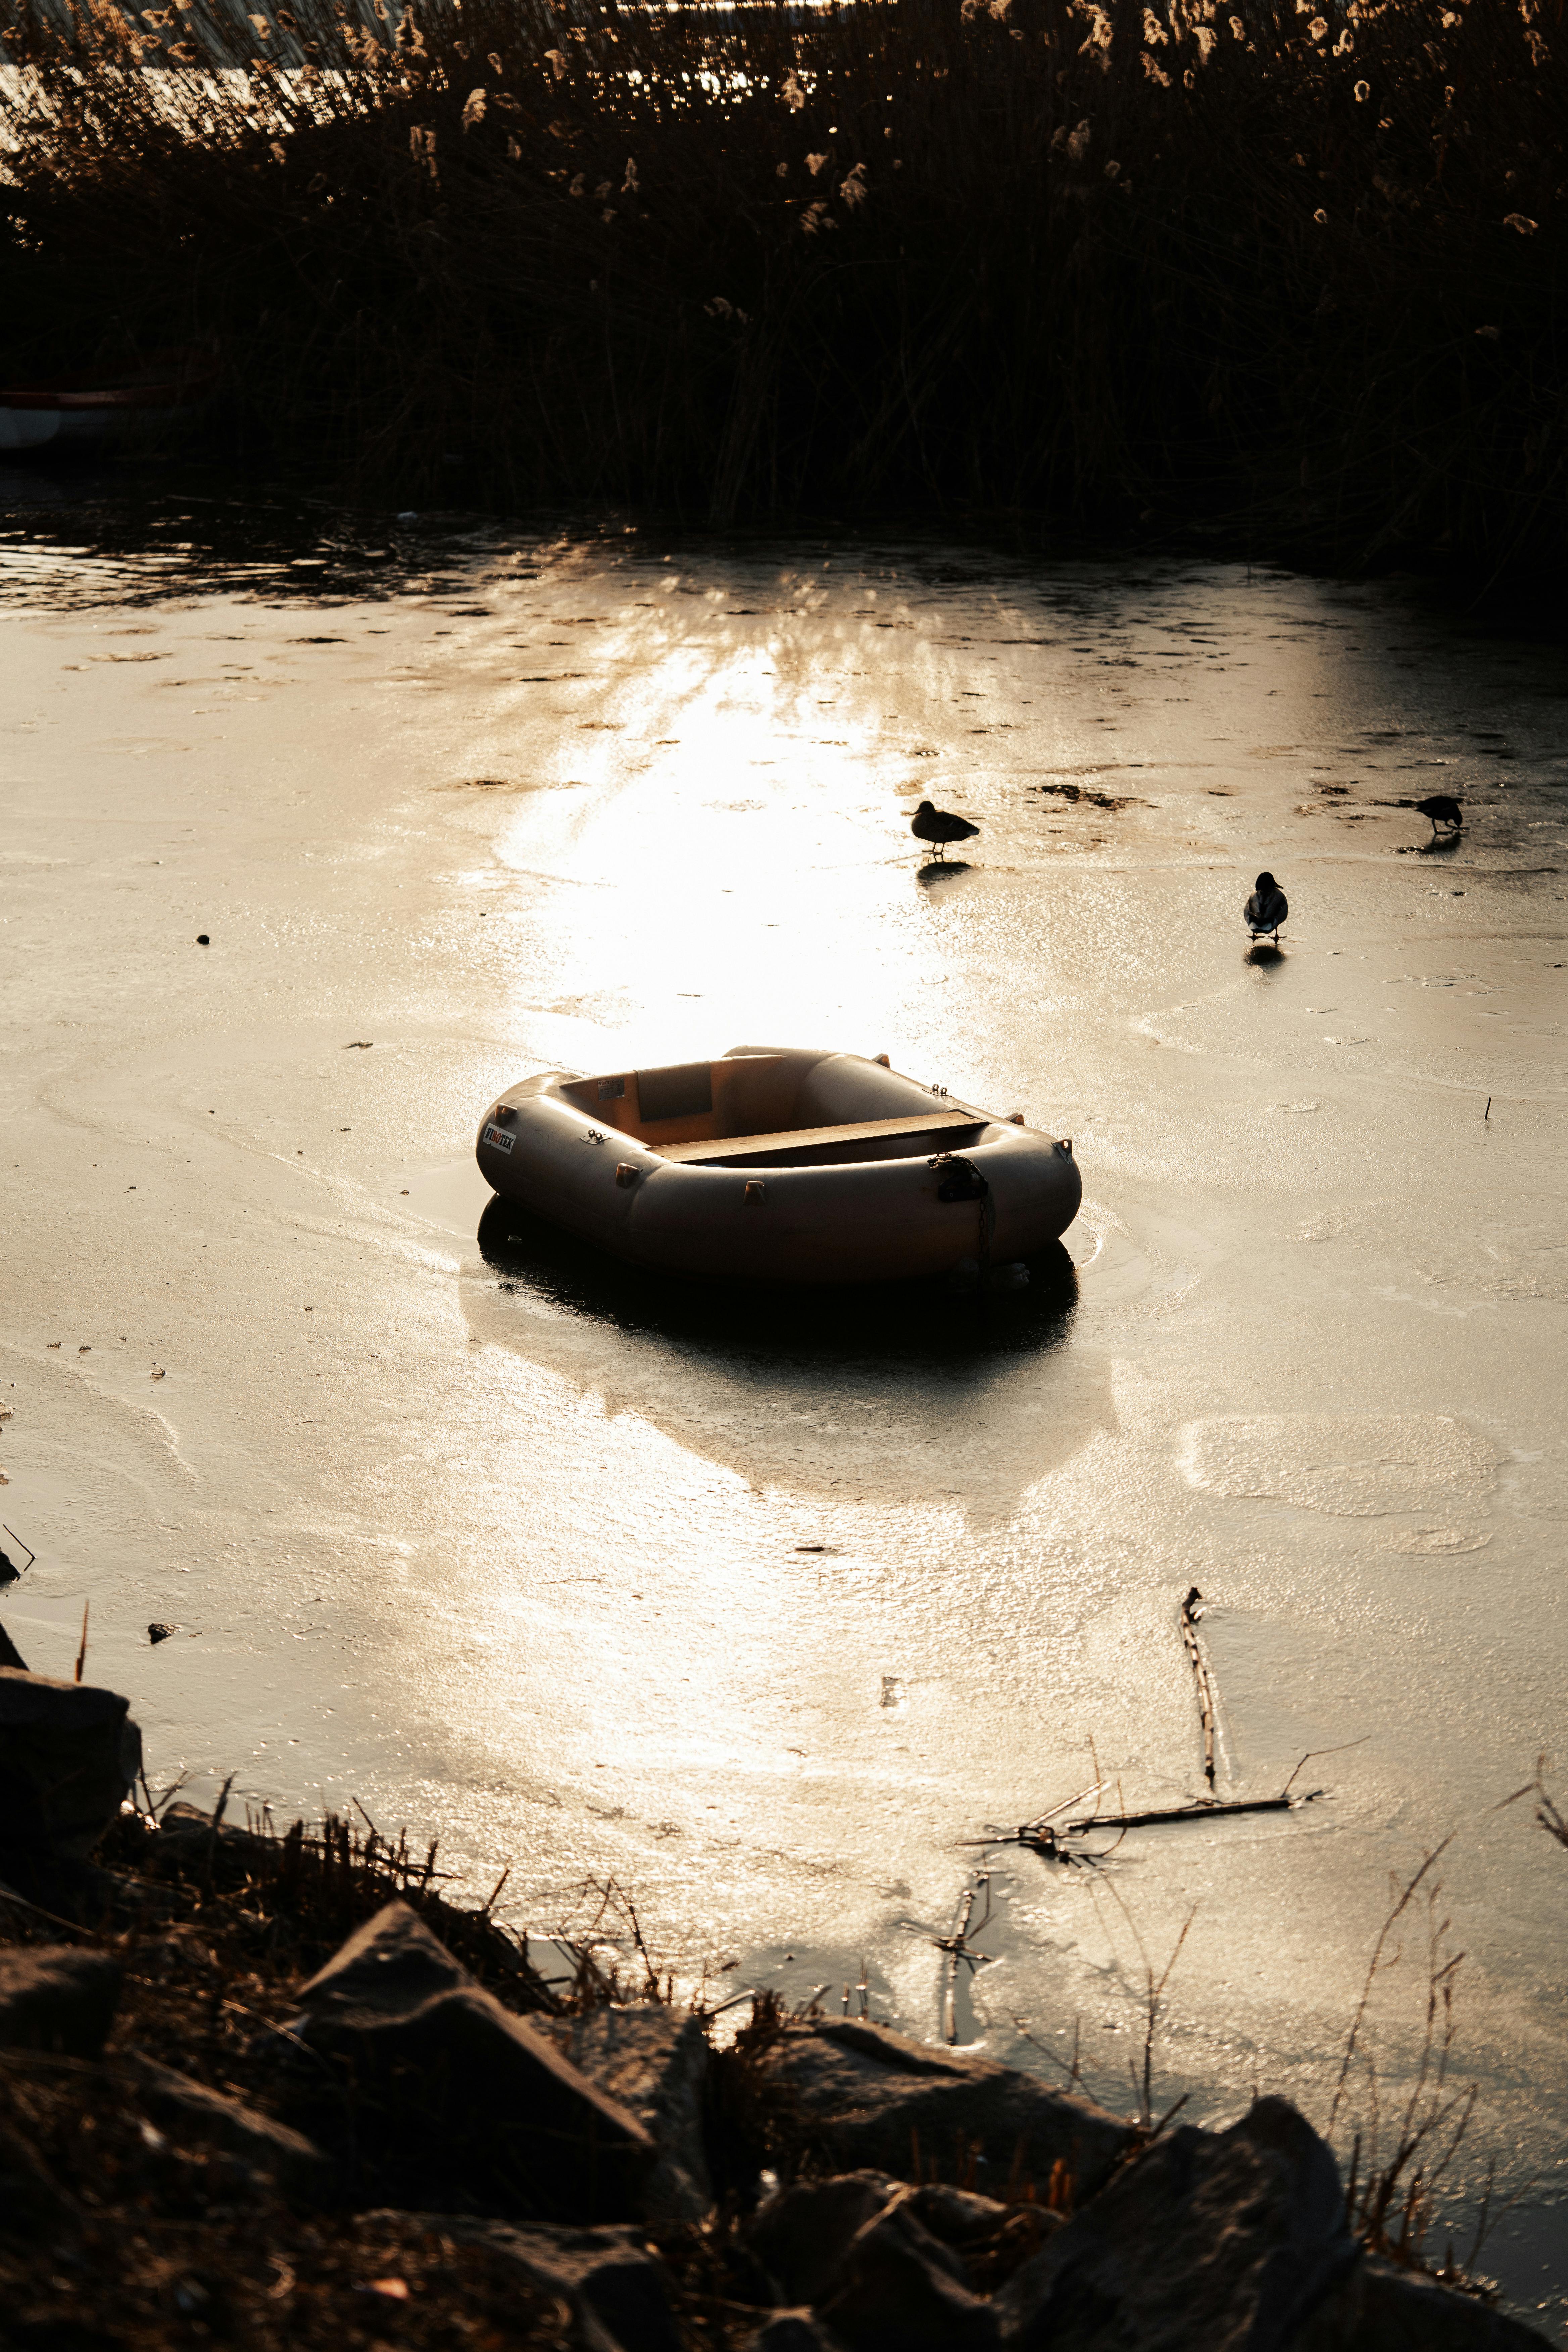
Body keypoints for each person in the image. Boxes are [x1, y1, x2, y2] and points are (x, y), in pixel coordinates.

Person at [1245, 870, 1288, 937]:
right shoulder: (1279, 895)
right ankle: (1276, 934)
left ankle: (1254, 934)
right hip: (1270, 919)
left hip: (1258, 920)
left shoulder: (1254, 895)